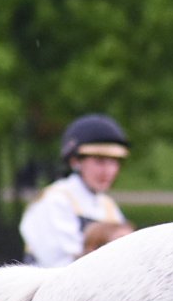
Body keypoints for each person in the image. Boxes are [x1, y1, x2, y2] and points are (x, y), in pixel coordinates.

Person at [20, 114, 130, 268]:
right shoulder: (54, 200)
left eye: (114, 162)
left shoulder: (108, 206)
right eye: (99, 161)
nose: (108, 171)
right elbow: (62, 267)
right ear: (75, 161)